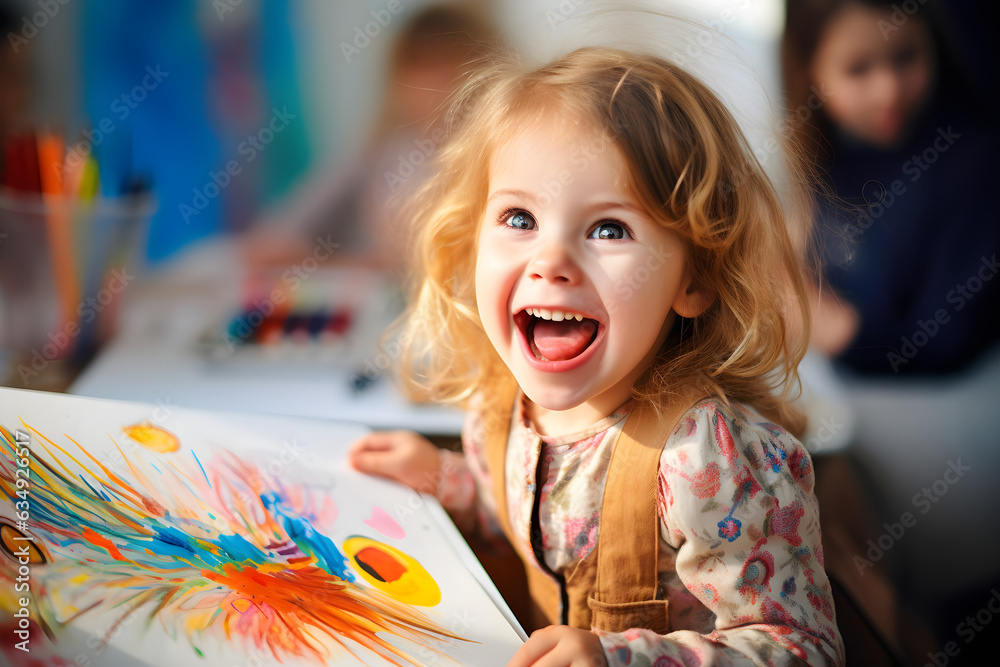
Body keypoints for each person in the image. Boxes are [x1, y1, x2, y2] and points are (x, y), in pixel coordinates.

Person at [350, 46, 844, 666]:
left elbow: (803, 649)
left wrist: (620, 658)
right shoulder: (499, 410)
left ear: (693, 280)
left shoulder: (707, 460)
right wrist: (442, 478)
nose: (551, 261)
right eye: (520, 217)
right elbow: (536, 518)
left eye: (608, 229)